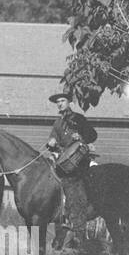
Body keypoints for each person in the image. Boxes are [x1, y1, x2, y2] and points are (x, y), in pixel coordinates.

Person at [46, 90, 98, 239]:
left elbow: (93, 135)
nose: (60, 104)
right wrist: (51, 142)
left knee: (77, 191)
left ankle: (78, 227)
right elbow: (52, 140)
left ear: (69, 103)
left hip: (79, 161)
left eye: (62, 101)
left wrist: (81, 136)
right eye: (58, 102)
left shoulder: (79, 119)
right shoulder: (58, 123)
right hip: (64, 163)